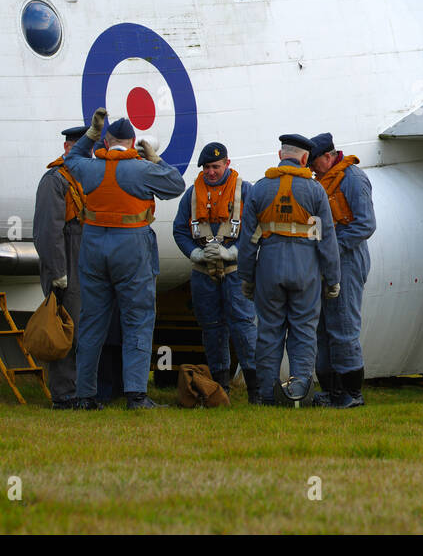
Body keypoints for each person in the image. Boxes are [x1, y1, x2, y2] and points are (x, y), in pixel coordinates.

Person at [66, 109, 185, 410]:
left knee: (92, 322)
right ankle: (135, 395)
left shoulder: (90, 167)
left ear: (106, 141)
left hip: (93, 246)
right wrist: (154, 157)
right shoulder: (141, 169)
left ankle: (85, 395)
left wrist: (90, 136)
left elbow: (70, 160)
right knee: (138, 318)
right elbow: (175, 184)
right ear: (133, 143)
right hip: (132, 248)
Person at [241, 134, 340, 406]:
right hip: (305, 268)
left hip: (269, 268)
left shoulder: (259, 189)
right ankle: (299, 394)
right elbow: (327, 237)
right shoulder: (315, 190)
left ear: (280, 154)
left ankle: (265, 394)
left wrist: (247, 277)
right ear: (305, 159)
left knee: (269, 331)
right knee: (304, 330)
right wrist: (332, 279)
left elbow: (248, 240)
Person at [172, 142, 258, 401]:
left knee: (243, 326)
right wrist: (193, 252)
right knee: (211, 328)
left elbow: (256, 229)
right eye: (207, 167)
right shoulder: (192, 194)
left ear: (227, 164)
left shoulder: (246, 192)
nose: (210, 172)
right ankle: (220, 387)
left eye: (216, 167)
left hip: (235, 271)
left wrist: (234, 252)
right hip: (203, 273)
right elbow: (179, 230)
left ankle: (256, 388)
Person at [308, 132, 376, 408]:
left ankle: (351, 393)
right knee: (323, 328)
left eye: (314, 162)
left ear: (328, 156)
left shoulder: (353, 179)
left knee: (343, 326)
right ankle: (331, 390)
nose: (311, 167)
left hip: (346, 260)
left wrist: (332, 250)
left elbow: (365, 225)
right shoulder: (322, 180)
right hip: (326, 261)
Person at [32, 124, 89, 409]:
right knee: (65, 331)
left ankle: (83, 392)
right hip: (66, 261)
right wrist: (58, 273)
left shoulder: (86, 179)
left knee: (84, 332)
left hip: (86, 263)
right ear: (68, 149)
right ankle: (65, 397)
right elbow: (46, 231)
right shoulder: (55, 181)